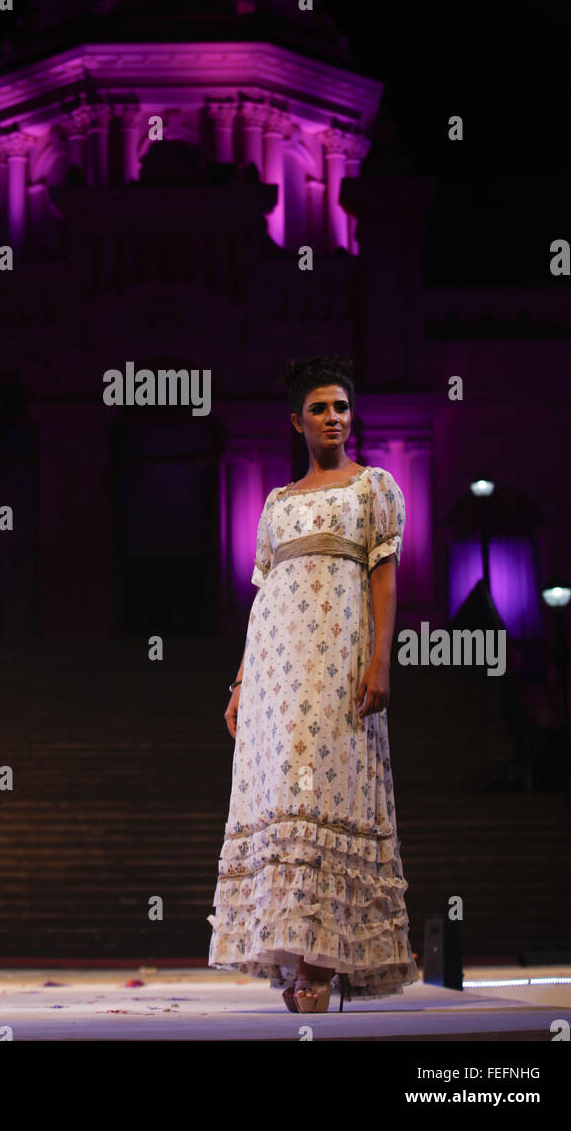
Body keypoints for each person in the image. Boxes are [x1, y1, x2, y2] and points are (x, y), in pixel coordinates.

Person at [207, 355, 419, 1013]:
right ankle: (296, 960)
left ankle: (323, 961)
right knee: (282, 803)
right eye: (320, 408)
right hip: (278, 674)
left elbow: (383, 580)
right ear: (296, 420)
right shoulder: (276, 504)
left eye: (342, 407)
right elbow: (264, 596)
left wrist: (381, 661)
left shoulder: (373, 489)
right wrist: (242, 682)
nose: (334, 418)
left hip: (339, 668)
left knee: (328, 797)